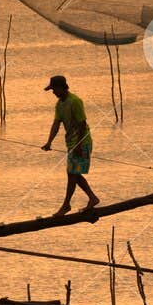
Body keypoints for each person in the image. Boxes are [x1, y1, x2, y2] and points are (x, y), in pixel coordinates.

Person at [40, 74, 99, 215]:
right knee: (74, 174)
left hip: (82, 141)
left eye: (54, 89)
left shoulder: (75, 101)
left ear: (62, 87)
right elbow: (56, 124)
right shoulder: (59, 104)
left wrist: (78, 145)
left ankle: (67, 205)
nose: (53, 92)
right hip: (72, 144)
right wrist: (49, 142)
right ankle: (92, 198)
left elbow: (82, 125)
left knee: (72, 174)